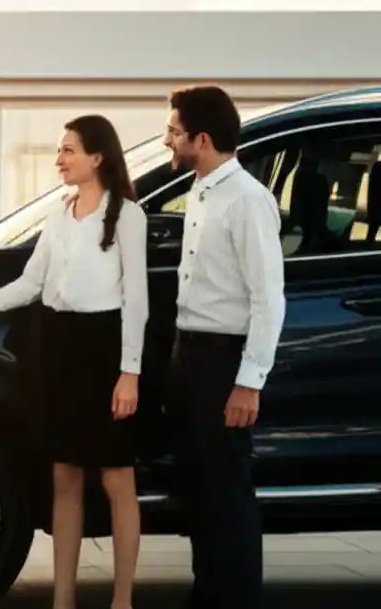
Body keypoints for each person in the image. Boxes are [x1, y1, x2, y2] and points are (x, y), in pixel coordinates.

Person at [0, 115, 147, 609]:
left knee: (117, 477)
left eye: (68, 150)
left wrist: (130, 373)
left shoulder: (127, 215)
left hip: (105, 349)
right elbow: (29, 285)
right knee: (64, 475)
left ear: (97, 157)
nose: (59, 159)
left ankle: (122, 600)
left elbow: (137, 301)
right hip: (59, 350)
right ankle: (64, 601)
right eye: (59, 151)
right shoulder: (59, 215)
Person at [163, 85, 284, 608]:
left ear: (202, 139)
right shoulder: (201, 190)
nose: (168, 141)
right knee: (197, 485)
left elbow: (267, 298)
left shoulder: (248, 200)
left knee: (228, 490)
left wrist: (248, 382)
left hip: (223, 359)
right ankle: (209, 592)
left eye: (174, 132)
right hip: (188, 355)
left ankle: (236, 598)